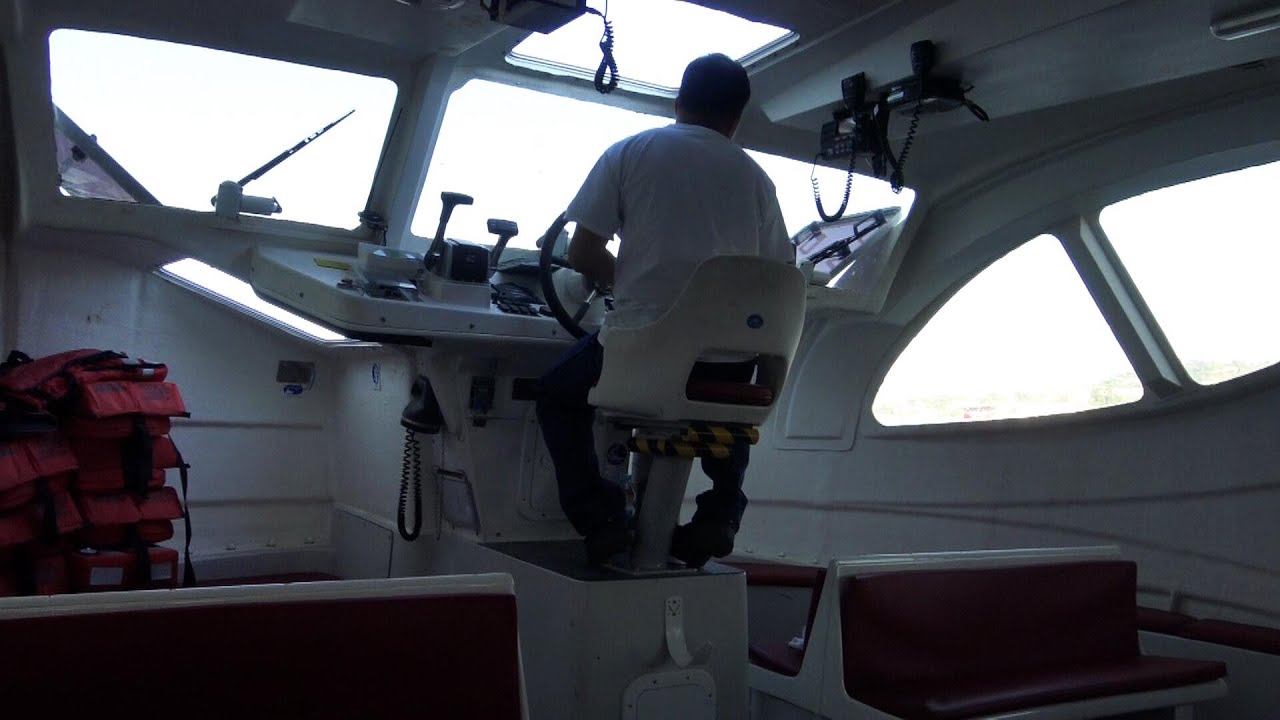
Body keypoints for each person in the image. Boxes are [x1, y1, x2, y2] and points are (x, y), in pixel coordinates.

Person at [536, 53, 795, 567]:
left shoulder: (631, 152)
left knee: (555, 392)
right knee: (724, 383)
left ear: (677, 102)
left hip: (641, 361)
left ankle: (602, 520)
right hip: (731, 370)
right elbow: (779, 275)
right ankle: (719, 514)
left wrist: (626, 280)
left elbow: (583, 254)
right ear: (735, 119)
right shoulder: (757, 180)